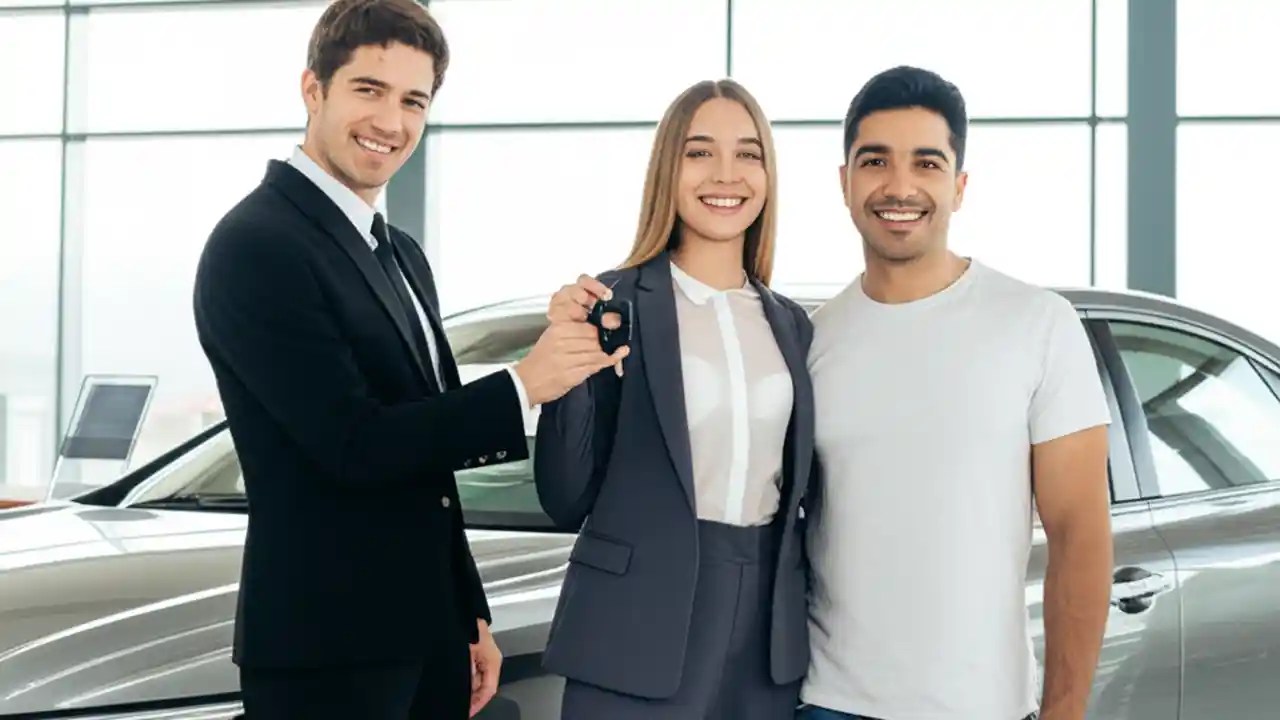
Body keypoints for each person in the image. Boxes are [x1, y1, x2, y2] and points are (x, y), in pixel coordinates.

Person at [191, 1, 624, 718]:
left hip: (425, 639)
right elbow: (352, 444)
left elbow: (428, 463)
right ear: (313, 90)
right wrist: (524, 385)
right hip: (328, 652)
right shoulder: (257, 245)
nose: (390, 122)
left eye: (413, 100)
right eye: (369, 90)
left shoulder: (398, 253)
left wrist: (468, 610)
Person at [796, 65, 1115, 720]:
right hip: (825, 706)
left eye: (927, 163)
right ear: (845, 183)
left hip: (981, 707)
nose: (900, 186)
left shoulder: (1036, 325)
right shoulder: (810, 341)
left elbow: (1080, 535)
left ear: (960, 186)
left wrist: (1063, 711)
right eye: (875, 161)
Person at [532, 79, 815, 720]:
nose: (726, 174)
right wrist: (570, 357)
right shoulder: (611, 304)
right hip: (636, 625)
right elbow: (564, 494)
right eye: (699, 152)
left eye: (748, 153)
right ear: (668, 169)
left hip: (766, 632)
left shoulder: (791, 325)